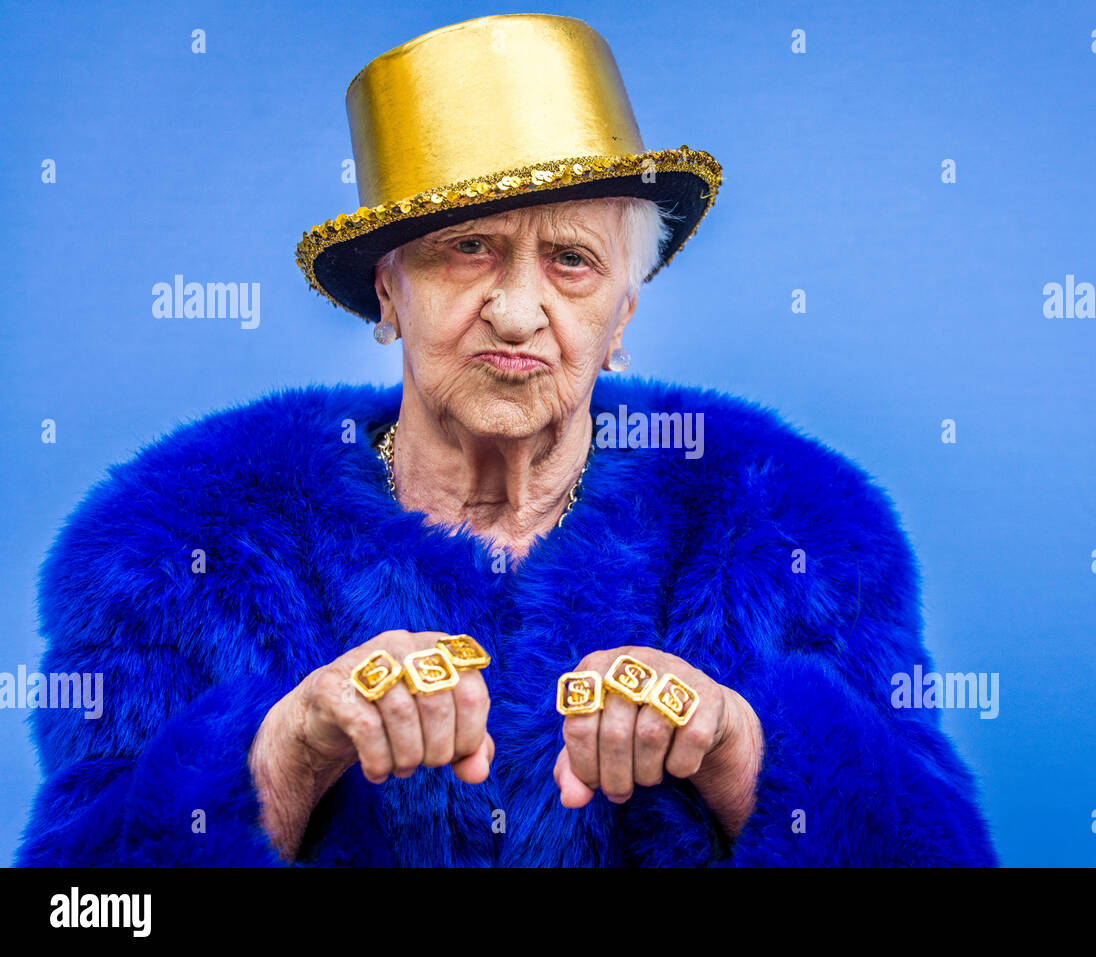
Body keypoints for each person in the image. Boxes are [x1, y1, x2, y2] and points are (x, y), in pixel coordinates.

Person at [17, 13, 997, 867]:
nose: (519, 311)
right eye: (467, 251)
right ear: (387, 294)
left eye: (571, 261)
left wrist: (742, 748)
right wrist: (286, 751)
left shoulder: (795, 528)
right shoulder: (177, 548)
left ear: (622, 314)